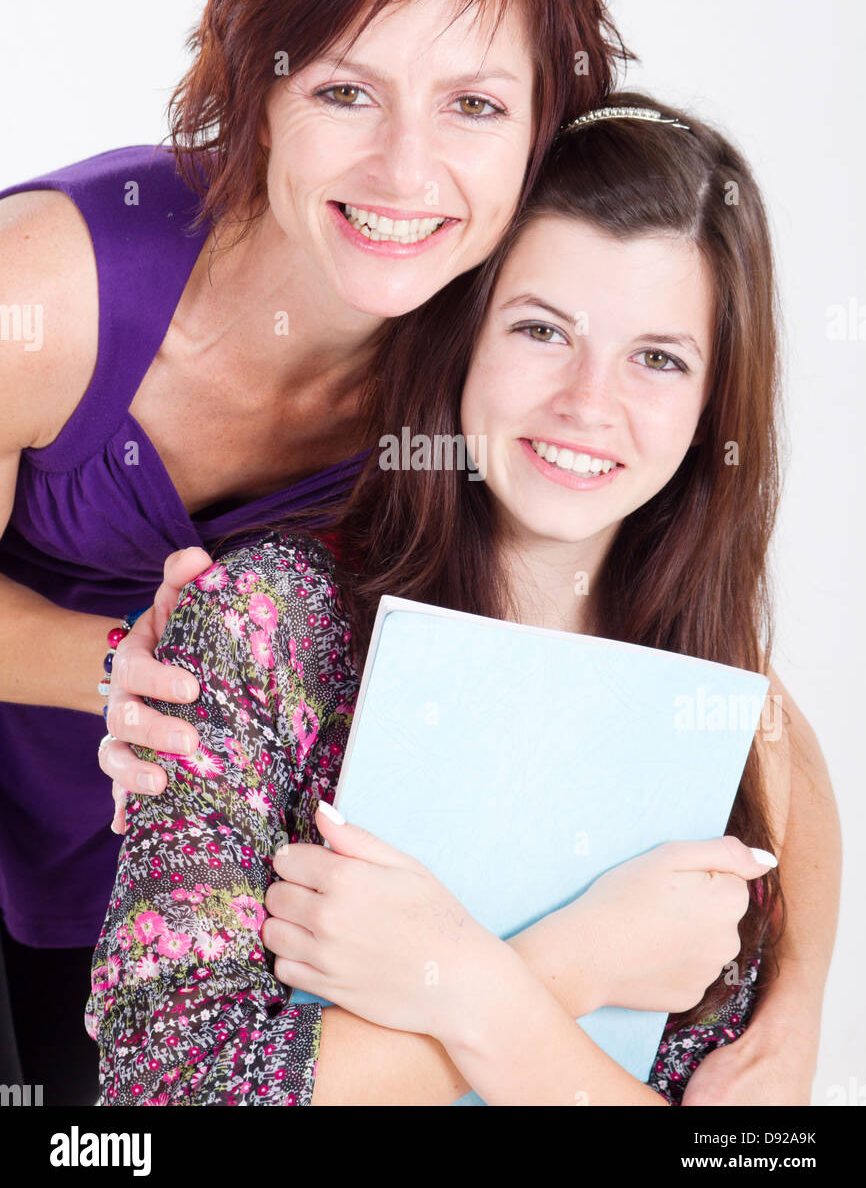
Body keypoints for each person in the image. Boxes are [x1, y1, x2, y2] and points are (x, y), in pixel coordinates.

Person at [0, 0, 631, 1103]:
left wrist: (792, 1005)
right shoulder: (45, 295)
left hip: (226, 910)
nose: (408, 168)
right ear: (256, 86)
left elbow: (708, 648)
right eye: (345, 88)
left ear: (540, 127)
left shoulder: (518, 352)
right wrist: (127, 663)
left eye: (471, 103)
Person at [86, 96, 839, 1105]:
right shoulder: (267, 627)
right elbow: (162, 1100)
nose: (586, 403)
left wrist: (467, 988)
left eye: (656, 358)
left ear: (712, 409)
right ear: (465, 336)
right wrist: (576, 960)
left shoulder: (713, 698)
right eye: (540, 330)